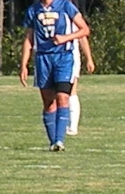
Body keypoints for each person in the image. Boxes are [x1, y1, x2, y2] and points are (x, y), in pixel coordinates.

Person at [19, 0, 91, 151]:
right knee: (48, 102)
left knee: (63, 97)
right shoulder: (34, 9)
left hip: (63, 57)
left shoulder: (65, 5)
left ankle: (59, 140)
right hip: (43, 59)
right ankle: (53, 142)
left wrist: (66, 38)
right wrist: (24, 64)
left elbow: (84, 30)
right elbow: (29, 38)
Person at [67, 24, 95, 136]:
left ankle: (73, 127)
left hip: (71, 58)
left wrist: (89, 59)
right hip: (53, 58)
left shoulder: (70, 15)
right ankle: (61, 124)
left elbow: (82, 37)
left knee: (71, 90)